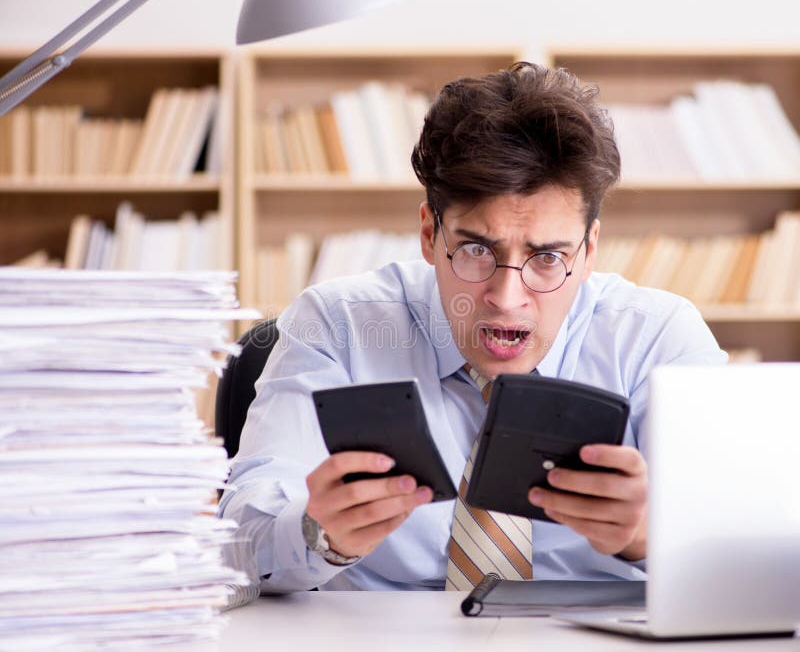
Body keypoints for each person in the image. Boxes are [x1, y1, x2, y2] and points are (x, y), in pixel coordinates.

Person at [219, 62, 726, 593]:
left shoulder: (659, 338)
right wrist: (318, 533)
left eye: (548, 257)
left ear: (589, 249)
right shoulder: (336, 325)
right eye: (476, 250)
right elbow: (239, 537)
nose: (507, 299)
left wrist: (648, 537)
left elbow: (749, 538)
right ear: (427, 233)